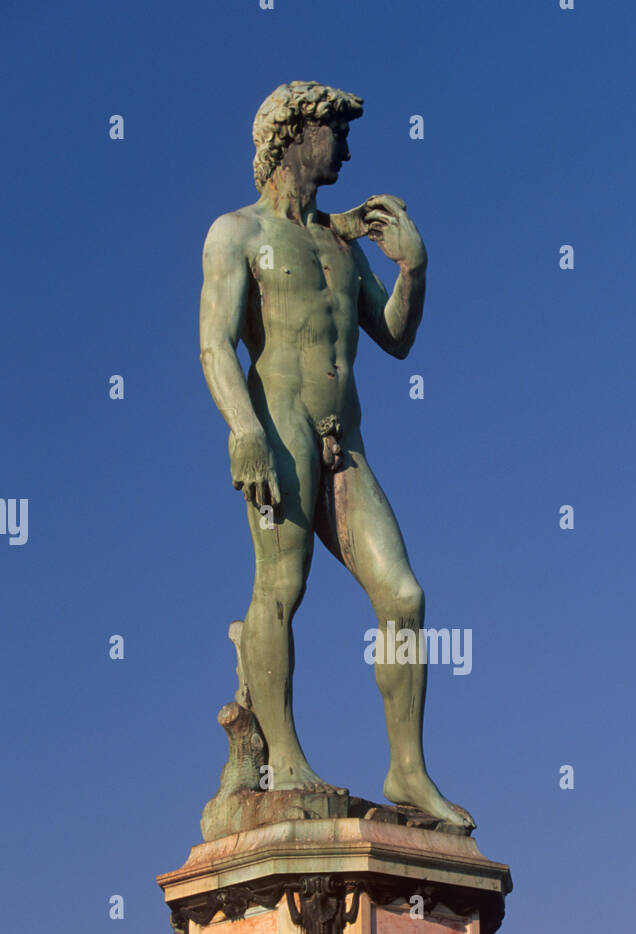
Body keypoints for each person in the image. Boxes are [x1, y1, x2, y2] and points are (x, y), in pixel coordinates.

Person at [200, 81, 472, 829]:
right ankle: (282, 758)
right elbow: (214, 342)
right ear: (295, 135)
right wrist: (242, 428)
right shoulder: (235, 233)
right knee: (279, 590)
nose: (346, 149)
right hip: (278, 430)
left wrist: (413, 268)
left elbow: (394, 337)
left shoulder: (335, 243)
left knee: (405, 599)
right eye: (336, 134)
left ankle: (407, 770)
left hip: (343, 443)